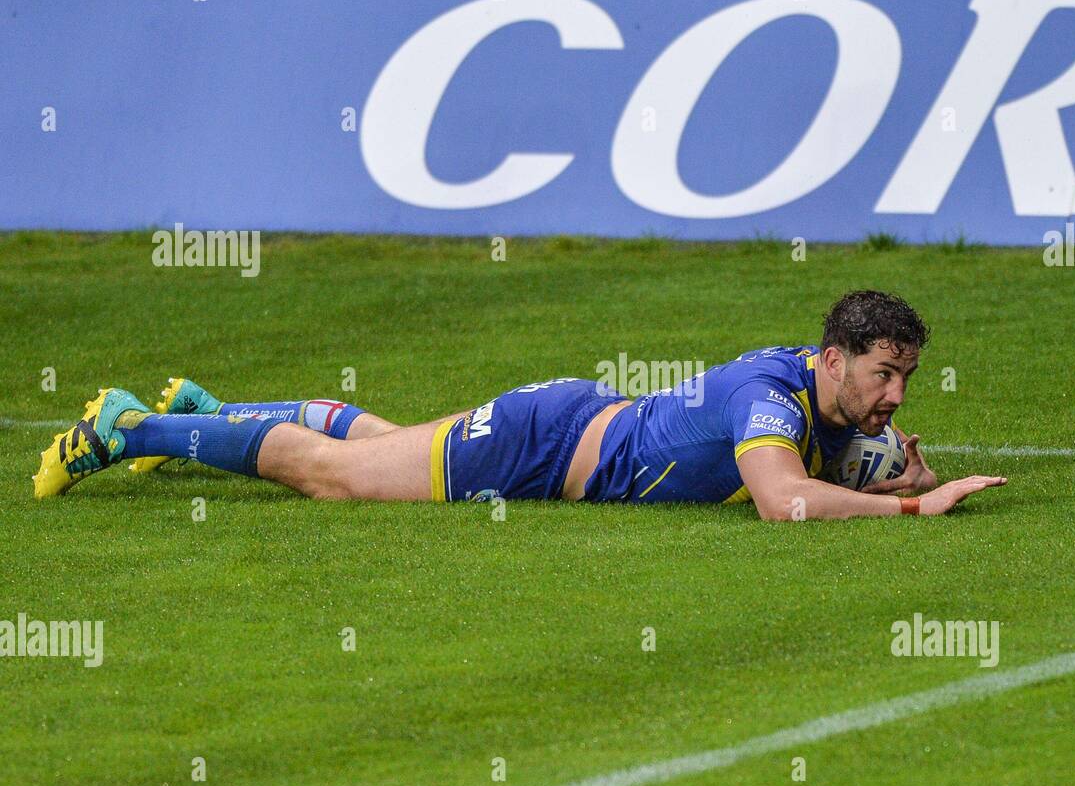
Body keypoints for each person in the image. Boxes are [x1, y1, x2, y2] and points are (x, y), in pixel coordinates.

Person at [33, 290, 1005, 519]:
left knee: (383, 442)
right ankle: (133, 427)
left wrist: (882, 459)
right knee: (335, 478)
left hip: (569, 423)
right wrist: (912, 504)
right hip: (541, 450)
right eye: (882, 373)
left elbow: (807, 464)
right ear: (831, 358)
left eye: (905, 378)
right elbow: (781, 500)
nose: (895, 393)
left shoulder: (809, 391)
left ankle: (211, 408)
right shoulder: (770, 393)